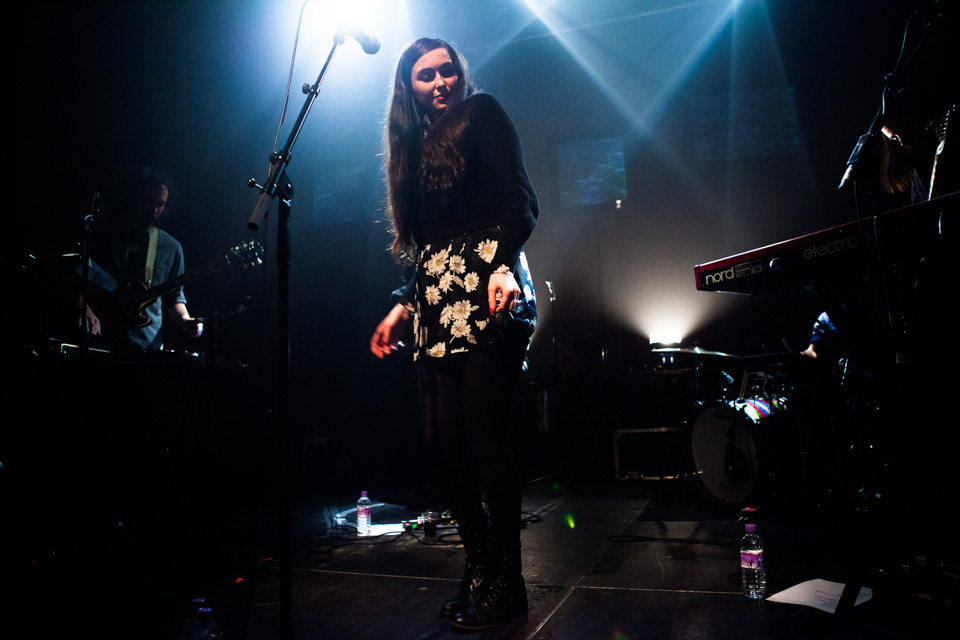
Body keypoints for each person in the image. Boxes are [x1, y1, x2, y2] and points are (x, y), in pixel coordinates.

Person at [369, 37, 538, 630]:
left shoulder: (482, 112)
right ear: (408, 88)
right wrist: (402, 305)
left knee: (485, 438)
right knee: (442, 442)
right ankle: (481, 564)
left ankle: (509, 582)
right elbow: (425, 245)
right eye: (426, 75)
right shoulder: (409, 150)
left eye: (447, 70)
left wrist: (503, 266)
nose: (441, 81)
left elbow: (520, 201)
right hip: (436, 300)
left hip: (490, 284)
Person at [82, 166, 202, 350]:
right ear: (134, 197)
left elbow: (174, 299)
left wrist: (185, 320)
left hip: (145, 345)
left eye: (161, 204)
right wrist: (82, 306)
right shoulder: (100, 233)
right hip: (96, 338)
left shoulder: (171, 248)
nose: (154, 210)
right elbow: (73, 276)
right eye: (148, 201)